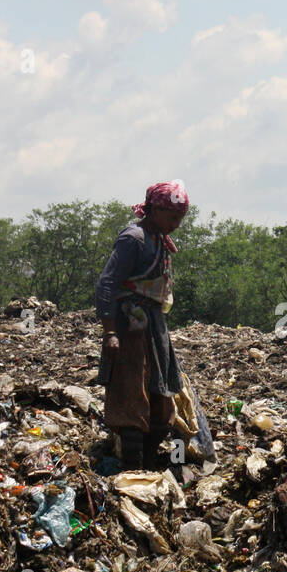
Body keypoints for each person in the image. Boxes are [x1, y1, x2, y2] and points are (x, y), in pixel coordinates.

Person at [95, 181, 189, 469]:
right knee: (132, 392)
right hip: (129, 326)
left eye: (179, 219)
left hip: (154, 325)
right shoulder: (133, 239)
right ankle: (130, 469)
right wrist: (110, 332)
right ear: (155, 210)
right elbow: (107, 284)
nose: (175, 224)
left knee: (162, 394)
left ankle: (150, 462)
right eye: (172, 217)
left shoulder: (159, 240)